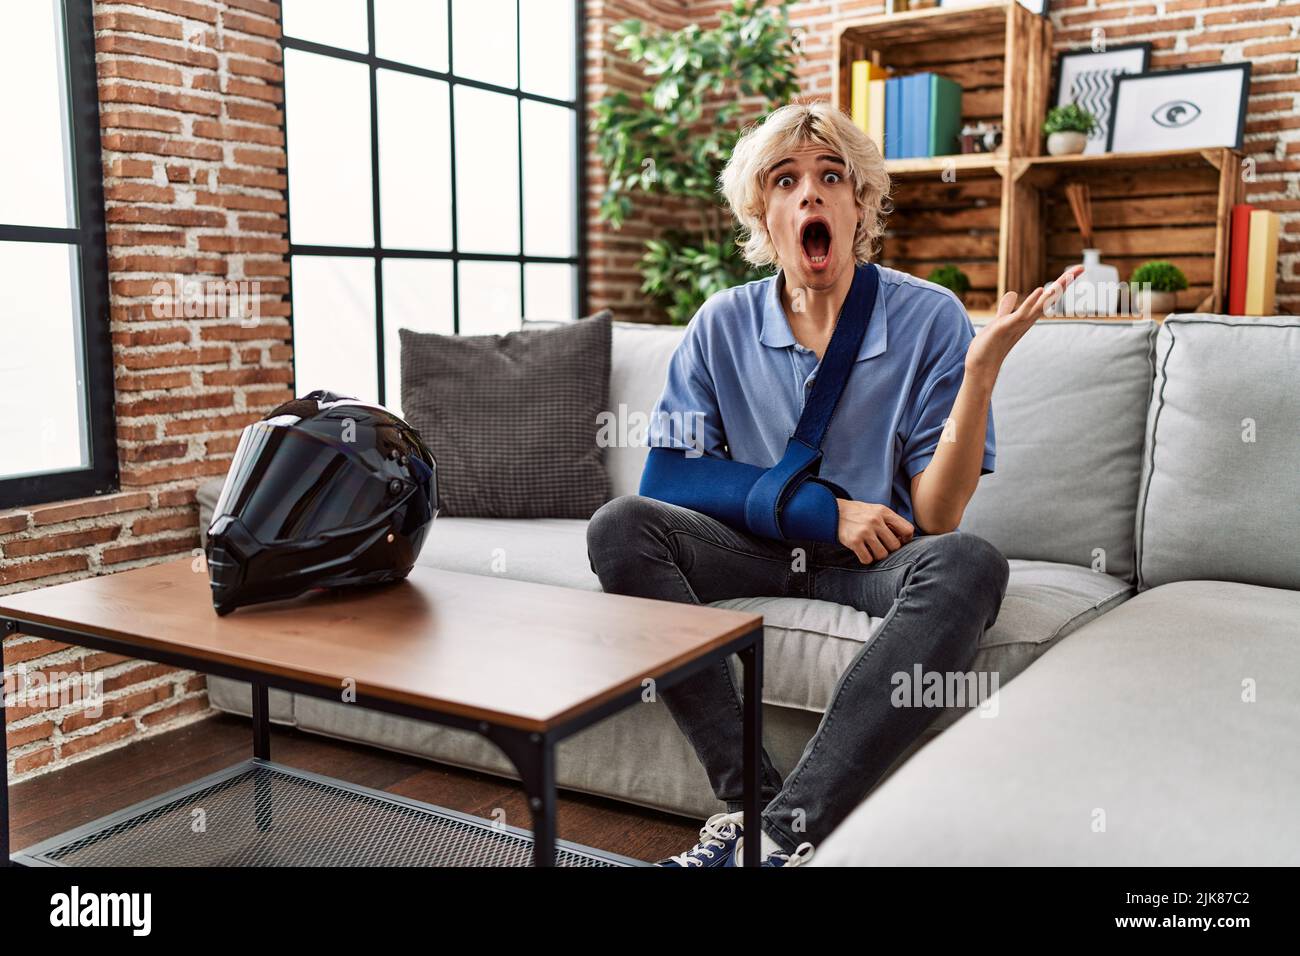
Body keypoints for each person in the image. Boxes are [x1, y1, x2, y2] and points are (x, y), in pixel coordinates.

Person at [586, 100, 1082, 867]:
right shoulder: (720, 323)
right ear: (764, 211)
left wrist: (979, 377)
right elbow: (667, 476)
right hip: (757, 548)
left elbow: (938, 513)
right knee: (619, 526)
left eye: (831, 178)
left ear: (862, 205)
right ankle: (751, 804)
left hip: (875, 560)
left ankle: (781, 834)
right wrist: (821, 513)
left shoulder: (930, 317)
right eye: (785, 181)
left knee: (970, 564)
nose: (809, 195)